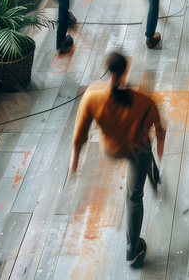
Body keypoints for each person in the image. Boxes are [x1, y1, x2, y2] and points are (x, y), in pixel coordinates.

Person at [70, 52, 166, 268]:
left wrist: (74, 163)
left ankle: (152, 171)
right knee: (134, 197)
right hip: (137, 149)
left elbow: (79, 136)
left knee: (143, 153)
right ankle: (133, 249)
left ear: (108, 70)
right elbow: (159, 131)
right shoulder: (144, 101)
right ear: (126, 69)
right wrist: (159, 149)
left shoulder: (92, 97)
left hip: (113, 149)